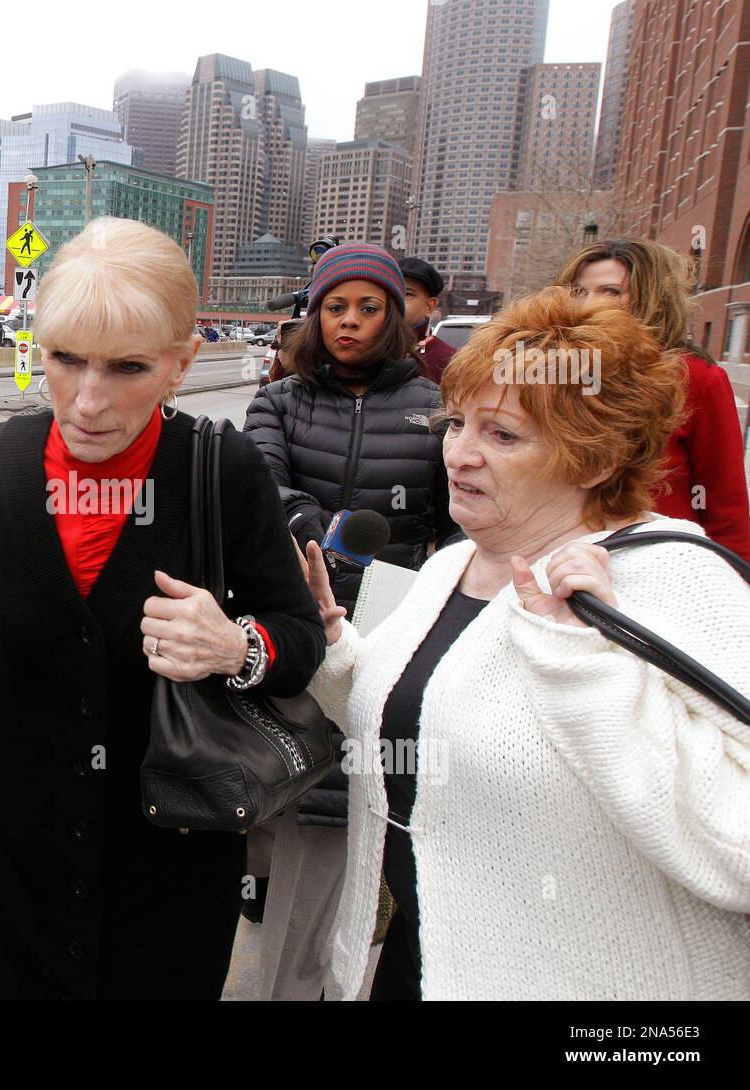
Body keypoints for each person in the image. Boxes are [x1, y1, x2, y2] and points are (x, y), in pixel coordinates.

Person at [0, 218, 323, 1001]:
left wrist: (234, 646)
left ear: (181, 363)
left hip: (171, 851)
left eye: (127, 367)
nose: (88, 401)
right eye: (66, 360)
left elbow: (299, 639)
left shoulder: (221, 471)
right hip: (16, 837)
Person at [308, 286, 750, 1000]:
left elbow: (738, 849)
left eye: (502, 436)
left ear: (597, 460)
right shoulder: (454, 562)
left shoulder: (673, 581)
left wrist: (584, 667)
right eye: (457, 424)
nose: (461, 454)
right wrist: (328, 644)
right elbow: (414, 718)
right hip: (425, 966)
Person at [243, 241, 456, 1000]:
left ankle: (348, 971)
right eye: (336, 306)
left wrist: (442, 592)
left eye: (369, 308)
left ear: (396, 317)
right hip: (295, 623)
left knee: (367, 812)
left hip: (395, 629)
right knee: (292, 807)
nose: (350, 322)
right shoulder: (280, 400)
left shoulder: (437, 407)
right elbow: (263, 489)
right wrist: (321, 530)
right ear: (315, 312)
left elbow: (458, 520)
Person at [555, 238, 750, 561]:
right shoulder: (552, 372)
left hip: (662, 562)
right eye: (578, 291)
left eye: (610, 291)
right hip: (562, 555)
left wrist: (737, 581)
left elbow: (725, 502)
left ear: (650, 298)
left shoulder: (696, 378)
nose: (588, 302)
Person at [398, 256, 455, 383]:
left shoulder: (449, 362)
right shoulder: (365, 350)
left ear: (430, 306)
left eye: (408, 294)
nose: (396, 300)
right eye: (392, 291)